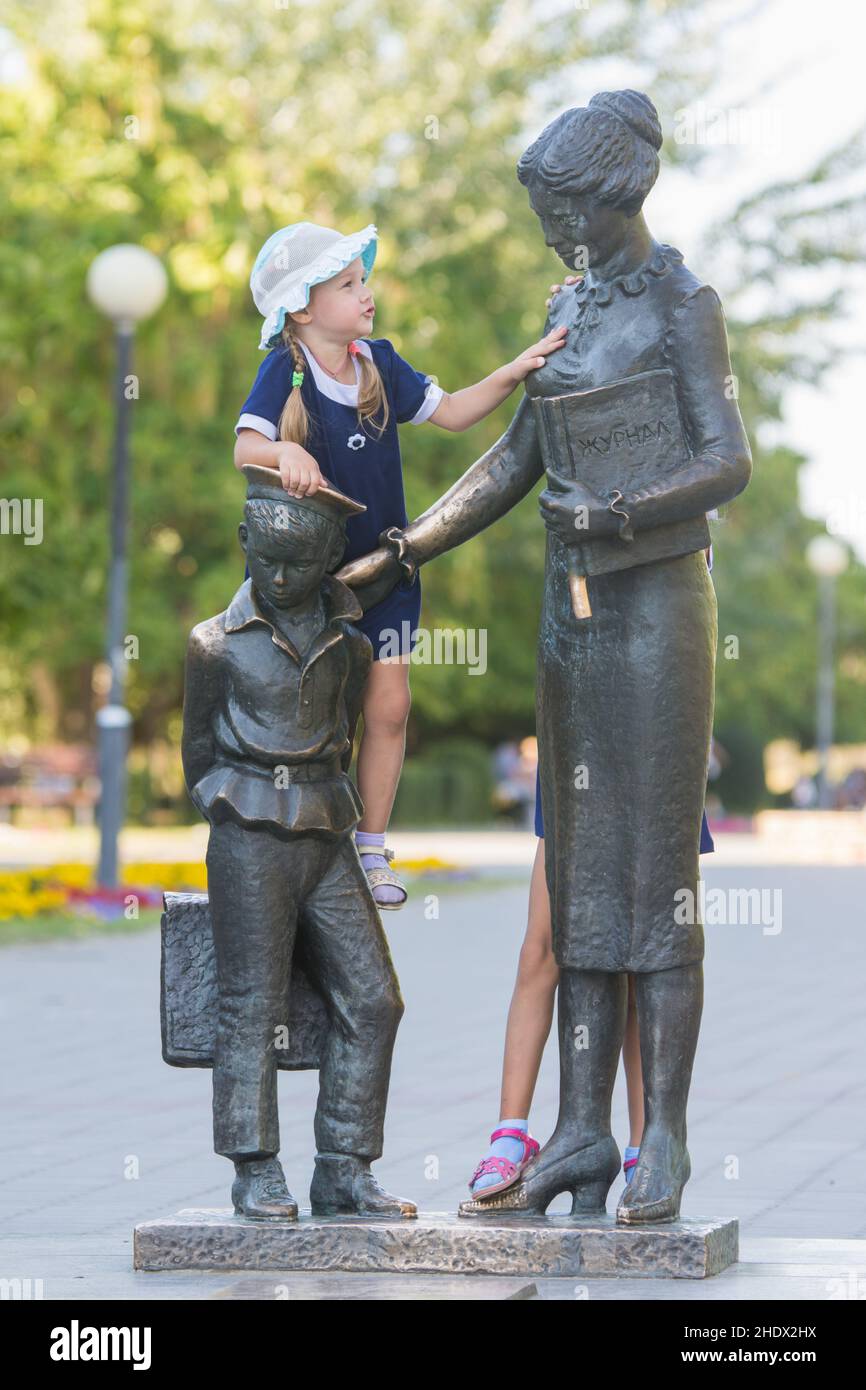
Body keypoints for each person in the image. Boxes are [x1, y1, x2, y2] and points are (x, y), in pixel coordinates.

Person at [233, 220, 568, 909]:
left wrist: (515, 370)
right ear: (302, 306)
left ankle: (372, 847)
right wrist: (284, 454)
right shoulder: (287, 368)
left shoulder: (379, 363)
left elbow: (451, 414)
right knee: (317, 714)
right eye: (349, 284)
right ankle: (302, 845)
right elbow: (245, 450)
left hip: (386, 576)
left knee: (390, 705)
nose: (367, 294)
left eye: (364, 280)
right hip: (313, 582)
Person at [181, 465, 417, 1220]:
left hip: (327, 828)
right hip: (248, 832)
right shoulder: (213, 645)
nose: (279, 578)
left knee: (374, 998)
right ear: (244, 541)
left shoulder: (348, 644)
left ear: (328, 562)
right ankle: (254, 1166)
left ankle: (344, 1165)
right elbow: (196, 753)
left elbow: (345, 730)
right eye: (265, 560)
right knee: (250, 1004)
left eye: (300, 564)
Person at [468, 507, 718, 1200]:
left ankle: (644, 1147)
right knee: (544, 946)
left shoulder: (671, 494)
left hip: (652, 750)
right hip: (584, 753)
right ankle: (512, 1133)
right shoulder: (577, 464)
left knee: (642, 959)